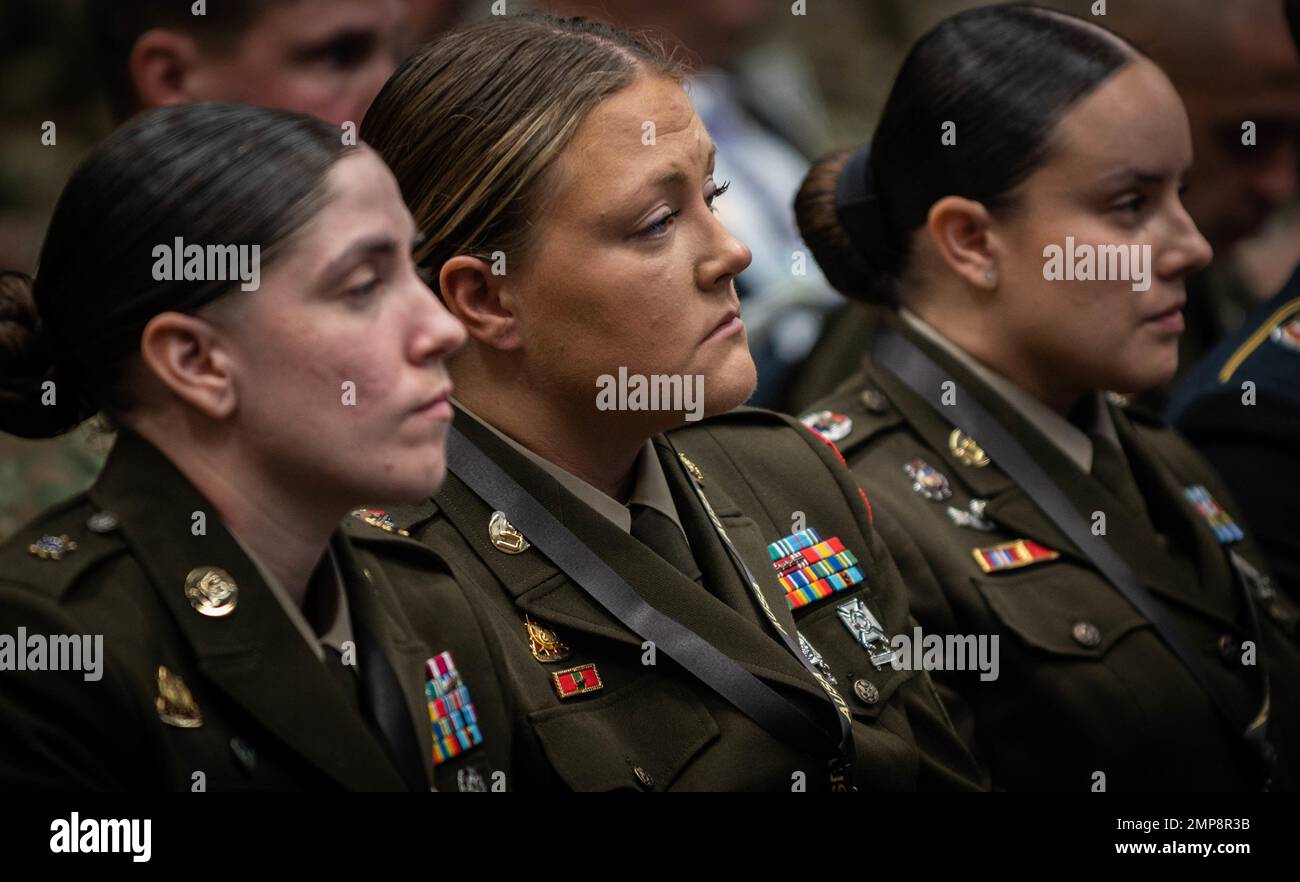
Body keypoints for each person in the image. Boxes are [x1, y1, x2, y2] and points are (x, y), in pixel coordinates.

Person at [356, 14, 984, 791]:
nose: (731, 251)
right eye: (657, 224)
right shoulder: (396, 586)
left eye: (712, 195)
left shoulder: (790, 474)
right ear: (486, 297)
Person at [794, 4, 1300, 790]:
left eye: (1181, 193)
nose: (1192, 246)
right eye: (1130, 206)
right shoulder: (845, 508)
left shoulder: (1153, 448)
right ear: (971, 241)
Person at [0, 103, 510, 791]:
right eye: (364, 286)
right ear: (197, 362)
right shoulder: (51, 650)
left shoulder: (426, 594)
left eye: (413, 273)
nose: (441, 329)